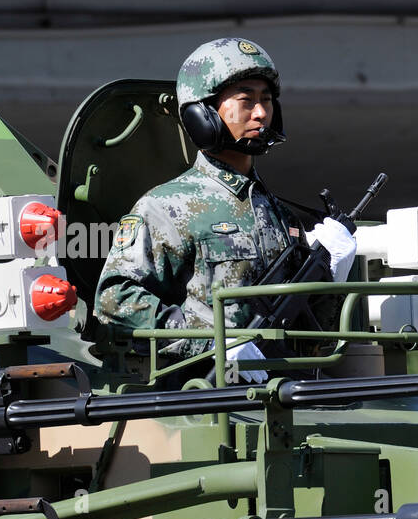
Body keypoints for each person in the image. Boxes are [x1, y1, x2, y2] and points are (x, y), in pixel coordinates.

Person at [94, 37, 357, 379]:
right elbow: (116, 301)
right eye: (246, 101)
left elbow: (313, 336)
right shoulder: (166, 206)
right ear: (203, 114)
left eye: (266, 100)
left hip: (284, 399)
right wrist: (211, 341)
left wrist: (332, 276)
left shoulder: (282, 217)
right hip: (201, 403)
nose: (261, 113)